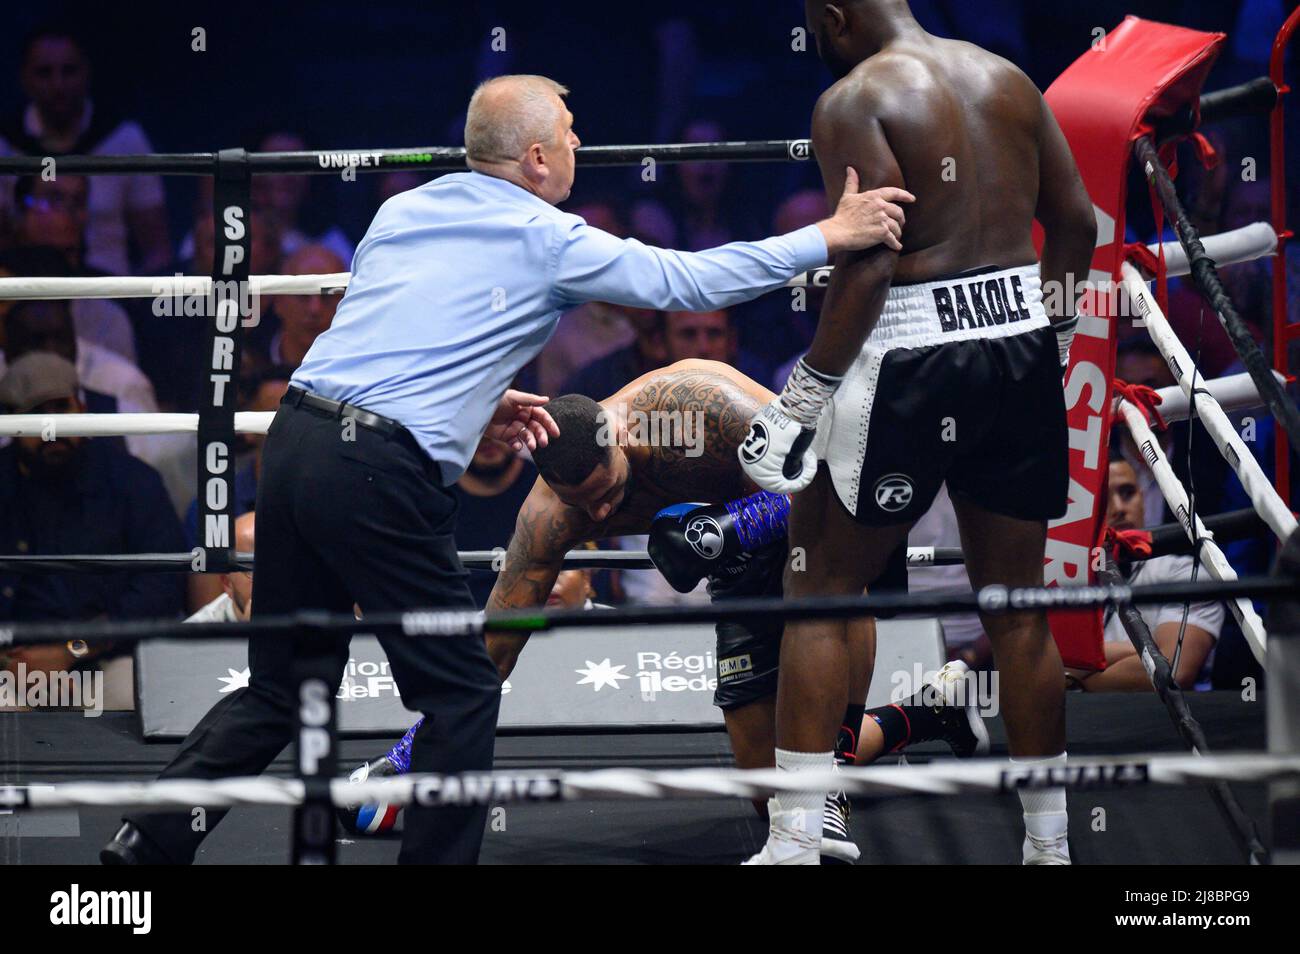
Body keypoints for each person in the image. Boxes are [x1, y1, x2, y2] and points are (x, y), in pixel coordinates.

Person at [101, 73, 909, 867]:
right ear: (533, 158)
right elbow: (687, 281)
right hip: (377, 470)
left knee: (281, 687)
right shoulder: (549, 236)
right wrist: (831, 237)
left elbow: (386, 336)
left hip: (299, 439)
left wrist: (476, 400)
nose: (578, 143)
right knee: (460, 694)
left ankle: (150, 839)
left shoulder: (400, 209)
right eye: (567, 130)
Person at [341, 361, 978, 860]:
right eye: (581, 506)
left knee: (839, 583)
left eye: (606, 493)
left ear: (621, 435)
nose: (597, 517)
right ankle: (927, 712)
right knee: (765, 795)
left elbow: (818, 481)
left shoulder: (700, 410)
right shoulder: (550, 514)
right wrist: (409, 759)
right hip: (732, 564)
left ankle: (829, 775)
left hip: (801, 535)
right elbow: (497, 646)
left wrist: (724, 529)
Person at [737, 1, 1095, 864]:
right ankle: (1050, 848)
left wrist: (801, 399)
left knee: (818, 589)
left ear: (832, 16)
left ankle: (795, 839)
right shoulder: (1005, 76)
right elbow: (1078, 223)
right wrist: (1049, 338)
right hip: (1014, 342)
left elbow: (870, 263)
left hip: (907, 353)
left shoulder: (852, 100)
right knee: (1017, 608)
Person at [0, 353, 185, 709]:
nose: (52, 426)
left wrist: (70, 651)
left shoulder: (132, 481)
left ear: (82, 408)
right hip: (13, 659)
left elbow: (161, 588)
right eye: (37, 413)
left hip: (105, 654)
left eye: (62, 408)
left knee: (130, 699)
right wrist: (12, 661)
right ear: (10, 423)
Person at [0, 26, 170, 275]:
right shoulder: (4, 144)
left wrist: (141, 307)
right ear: (24, 78)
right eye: (44, 73)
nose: (58, 85)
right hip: (23, 294)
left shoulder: (125, 140)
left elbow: (157, 248)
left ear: (87, 73)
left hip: (110, 296)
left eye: (68, 71)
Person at [1064, 453, 1222, 692]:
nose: (1119, 509)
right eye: (1104, 499)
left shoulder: (1185, 573)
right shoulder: (1064, 579)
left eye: (1128, 493)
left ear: (1143, 499)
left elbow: (1173, 669)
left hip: (1166, 724)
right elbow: (1039, 664)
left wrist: (1074, 683)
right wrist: (1139, 649)